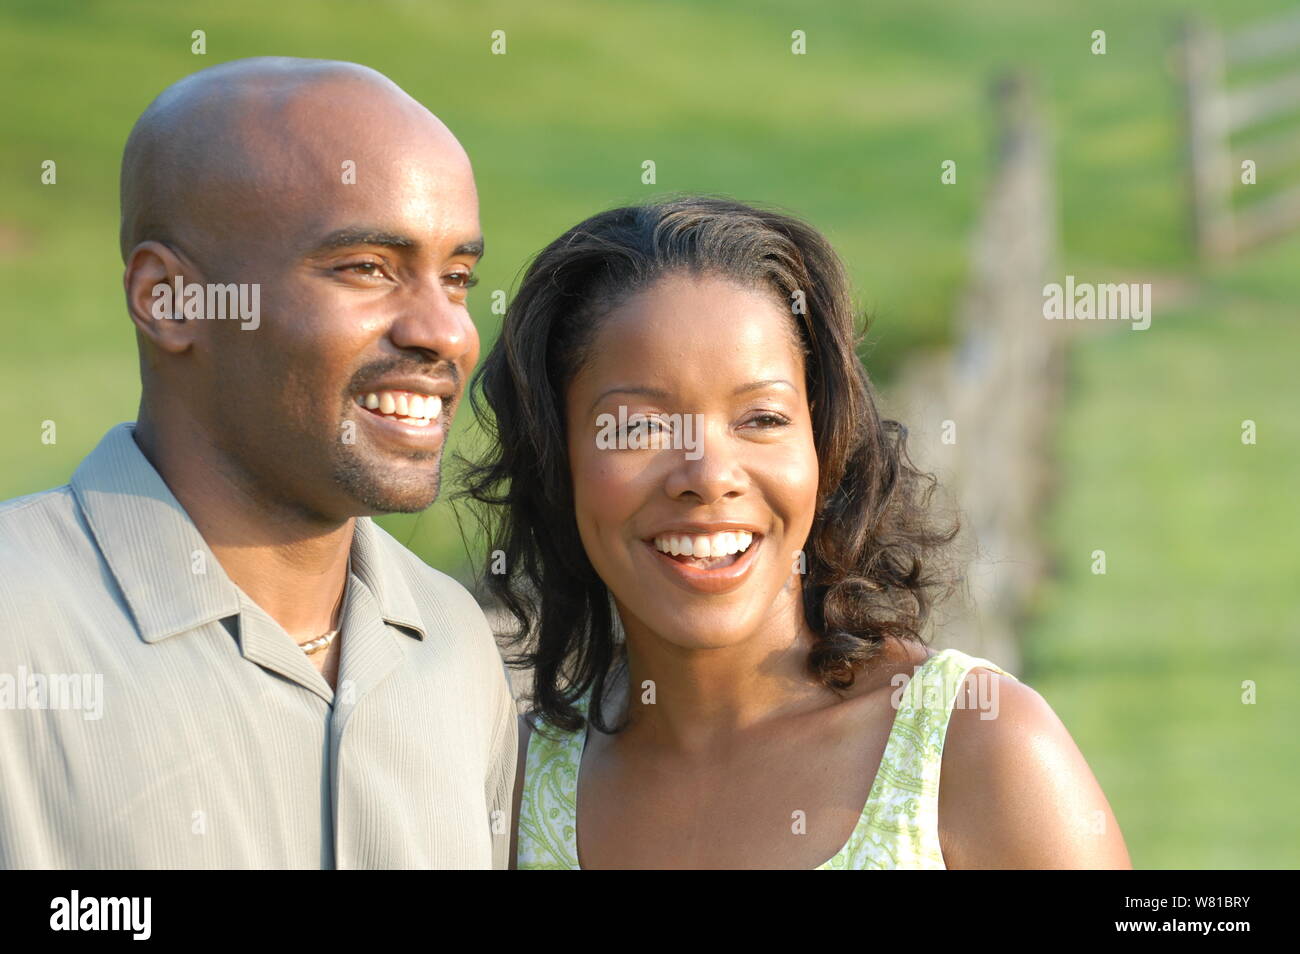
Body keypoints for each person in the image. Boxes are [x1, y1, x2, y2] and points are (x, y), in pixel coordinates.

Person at [463, 196, 1132, 869]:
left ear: (825, 448)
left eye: (761, 418)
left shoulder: (975, 750)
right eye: (639, 426)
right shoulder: (514, 793)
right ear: (558, 459)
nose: (709, 475)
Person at [0, 57, 516, 868]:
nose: (447, 332)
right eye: (368, 269)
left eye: (456, 278)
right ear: (169, 300)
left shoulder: (455, 647)